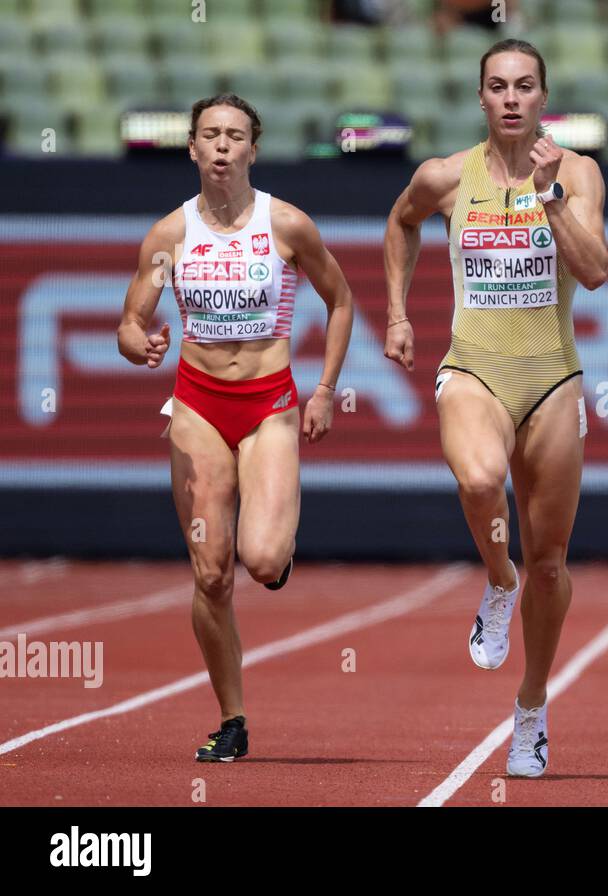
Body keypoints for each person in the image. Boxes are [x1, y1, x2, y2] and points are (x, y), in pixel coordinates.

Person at [382, 39, 607, 776]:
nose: (511, 98)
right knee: (480, 483)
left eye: (525, 86)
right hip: (473, 365)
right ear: (480, 98)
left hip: (552, 377)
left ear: (544, 97)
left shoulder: (576, 173)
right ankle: (496, 580)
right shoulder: (445, 177)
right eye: (497, 87)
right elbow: (401, 223)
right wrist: (397, 312)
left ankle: (532, 710)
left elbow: (597, 272)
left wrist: (549, 197)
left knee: (551, 563)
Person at [117, 94, 354, 760]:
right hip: (195, 407)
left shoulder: (287, 226)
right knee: (212, 574)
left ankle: (274, 555)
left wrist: (327, 389)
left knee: (263, 560)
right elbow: (130, 322)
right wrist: (137, 342)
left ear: (253, 147)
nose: (222, 146)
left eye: (236, 135)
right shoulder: (169, 236)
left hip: (269, 407)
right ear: (192, 148)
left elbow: (340, 302)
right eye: (211, 135)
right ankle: (232, 719)